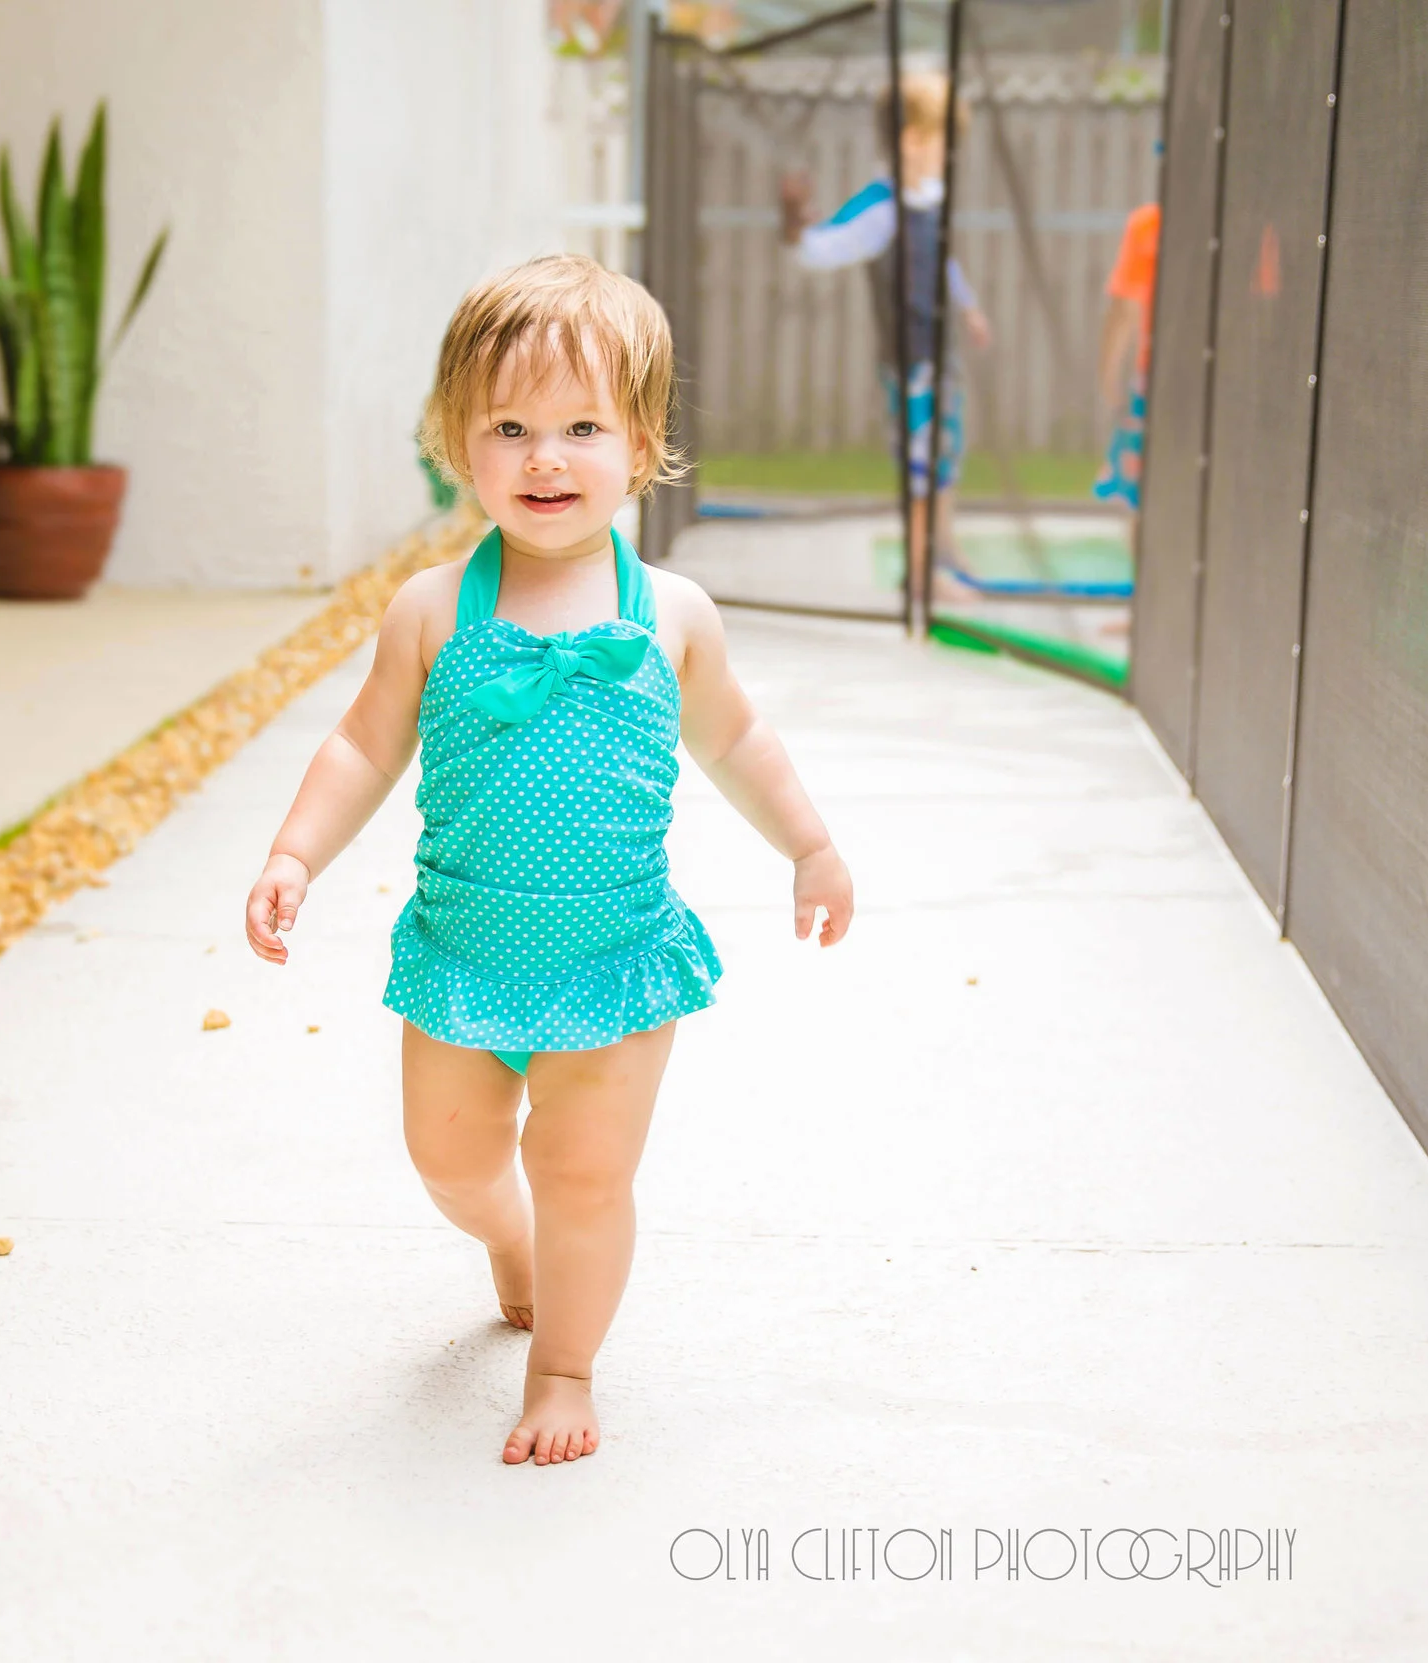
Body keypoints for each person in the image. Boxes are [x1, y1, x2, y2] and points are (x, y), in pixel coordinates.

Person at [243, 255, 854, 1468]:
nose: (545, 459)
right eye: (509, 428)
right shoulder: (432, 609)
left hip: (612, 959)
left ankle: (564, 1366)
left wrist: (810, 843)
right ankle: (505, 1241)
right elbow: (363, 744)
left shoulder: (670, 612)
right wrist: (294, 851)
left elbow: (736, 739)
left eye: (581, 428)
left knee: (583, 1172)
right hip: (464, 955)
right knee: (452, 1160)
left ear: (641, 444)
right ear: (456, 445)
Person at [779, 69, 994, 609]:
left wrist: (968, 305)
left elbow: (942, 260)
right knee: (922, 470)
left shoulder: (926, 201)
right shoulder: (882, 210)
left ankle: (944, 548)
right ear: (912, 140)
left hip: (939, 355)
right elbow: (822, 249)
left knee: (945, 457)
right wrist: (797, 226)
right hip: (911, 361)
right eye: (944, 142)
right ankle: (922, 576)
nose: (950, 155)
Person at [1093, 199, 1160, 512]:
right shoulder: (1243, 216)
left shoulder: (1149, 223)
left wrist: (1109, 377)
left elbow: (1125, 310)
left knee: (1140, 495)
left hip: (1155, 377)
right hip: (1216, 379)